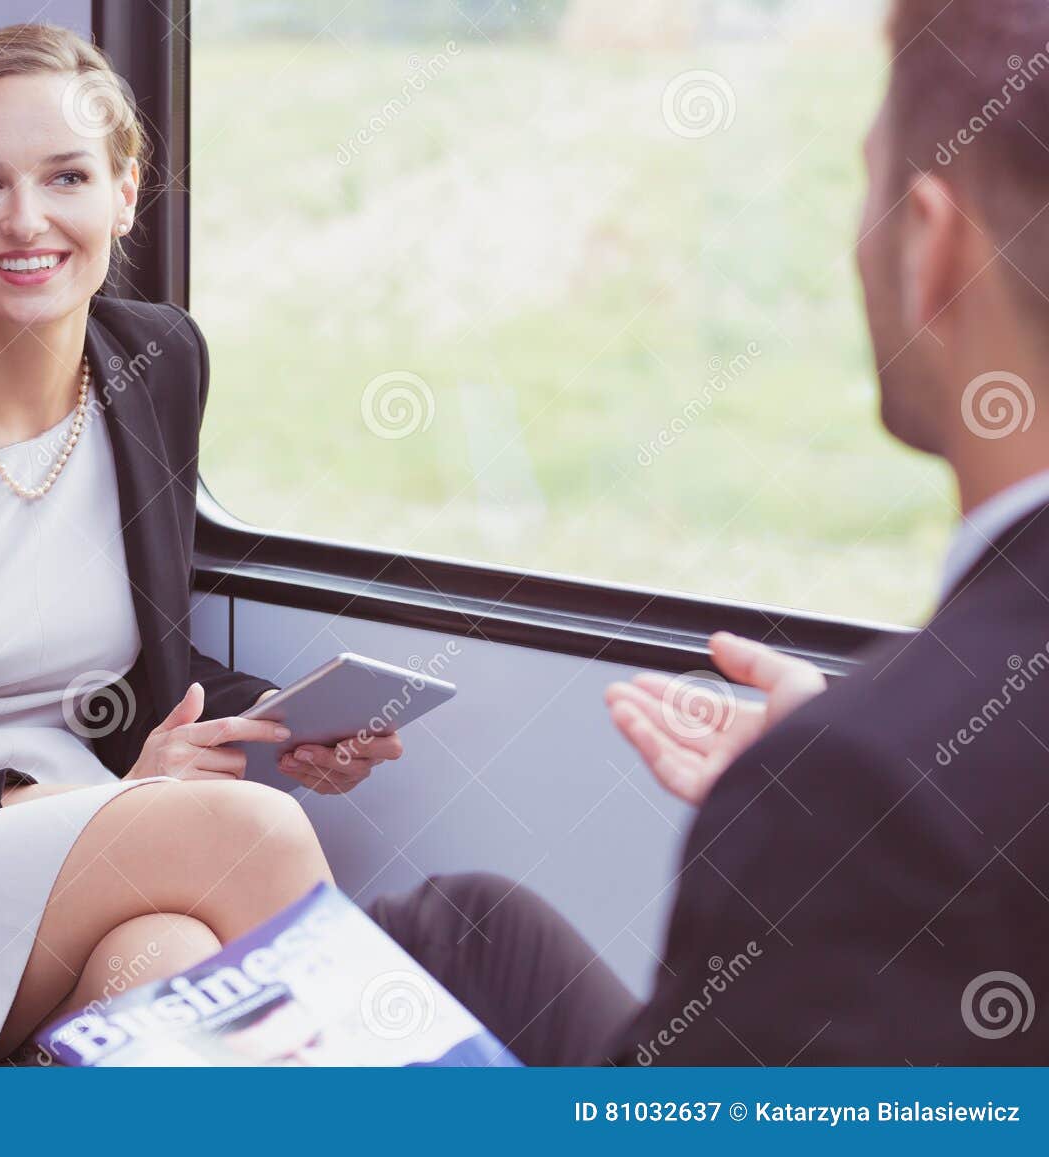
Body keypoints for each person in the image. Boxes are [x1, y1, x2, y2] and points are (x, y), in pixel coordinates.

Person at [369, 0, 1049, 1065]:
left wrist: (862, 775)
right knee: (466, 928)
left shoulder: (864, 800)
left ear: (933, 246)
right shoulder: (881, 767)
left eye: (862, 184)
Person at [0, 24, 402, 1066]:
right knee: (249, 832)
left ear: (125, 193)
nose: (27, 220)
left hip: (86, 844)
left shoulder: (159, 361)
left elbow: (136, 665)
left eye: (67, 177)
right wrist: (90, 802)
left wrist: (279, 723)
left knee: (166, 954)